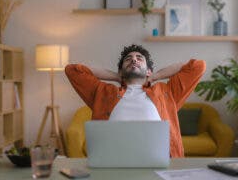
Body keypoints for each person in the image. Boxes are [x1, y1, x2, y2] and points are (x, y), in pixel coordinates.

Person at [65, 44, 206, 157]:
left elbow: (198, 66)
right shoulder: (103, 93)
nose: (134, 60)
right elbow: (72, 70)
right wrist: (116, 77)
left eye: (139, 58)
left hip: (161, 163)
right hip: (113, 163)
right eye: (128, 59)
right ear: (120, 71)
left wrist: (156, 76)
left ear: (148, 71)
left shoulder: (166, 92)